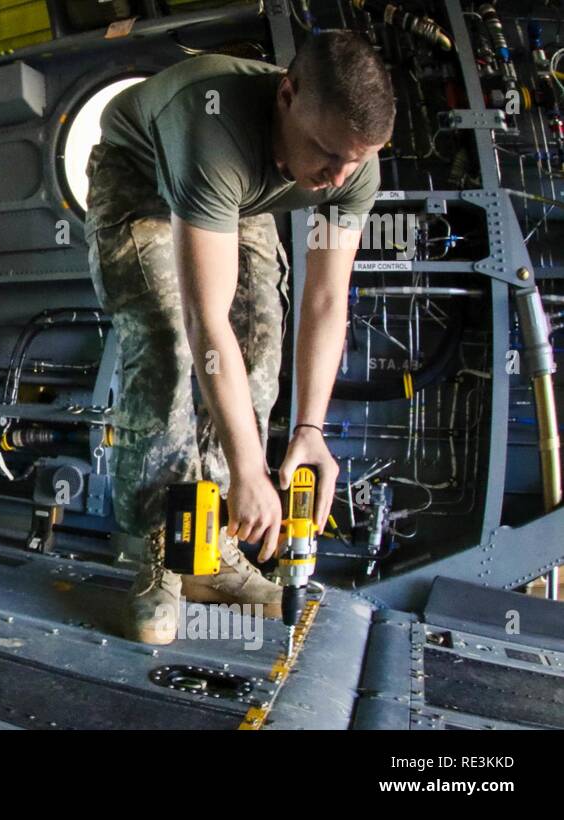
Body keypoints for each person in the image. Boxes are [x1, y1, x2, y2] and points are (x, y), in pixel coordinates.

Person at [85, 31, 393, 643]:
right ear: (287, 95)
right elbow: (204, 321)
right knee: (168, 340)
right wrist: (253, 466)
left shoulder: (351, 165)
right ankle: (162, 554)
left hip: (240, 196)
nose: (335, 178)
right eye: (327, 154)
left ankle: (210, 551)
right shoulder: (213, 125)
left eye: (353, 161)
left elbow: (328, 297)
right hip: (139, 176)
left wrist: (309, 430)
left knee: (260, 343)